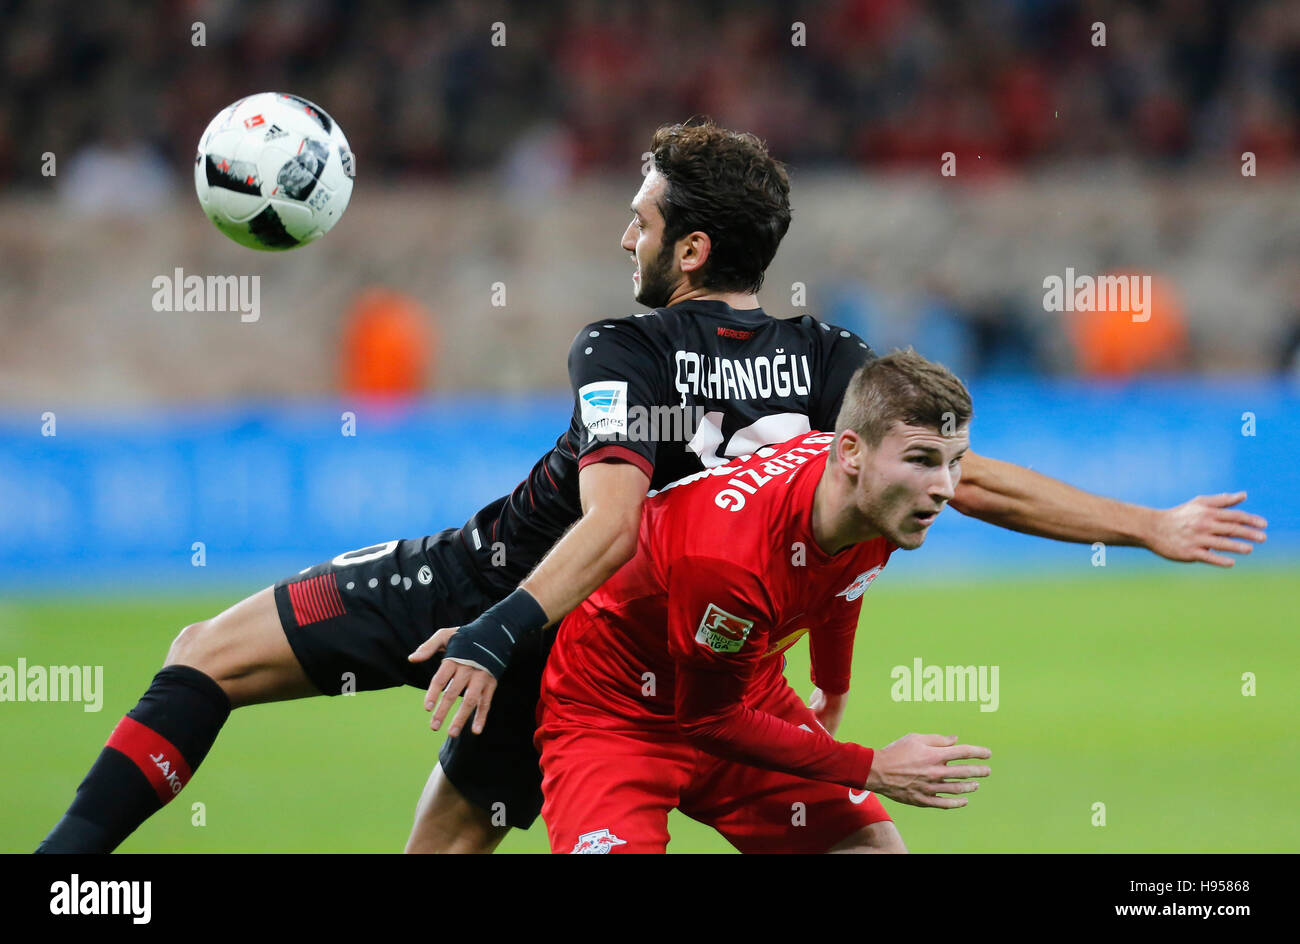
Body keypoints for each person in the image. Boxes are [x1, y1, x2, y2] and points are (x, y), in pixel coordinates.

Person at [37, 122, 1266, 855]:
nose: (623, 234)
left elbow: (609, 520)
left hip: (514, 593)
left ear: (689, 247)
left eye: (640, 218)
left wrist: (499, 623)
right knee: (464, 821)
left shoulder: (622, 347)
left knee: (206, 657)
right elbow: (971, 475)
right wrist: (1146, 524)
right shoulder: (830, 361)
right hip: (650, 650)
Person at [538, 351, 986, 853]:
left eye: (954, 461)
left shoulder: (878, 505)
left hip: (741, 690)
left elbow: (843, 583)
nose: (944, 488)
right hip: (615, 717)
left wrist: (832, 684)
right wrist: (872, 767)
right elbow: (708, 720)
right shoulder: (731, 562)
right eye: (921, 461)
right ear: (851, 452)